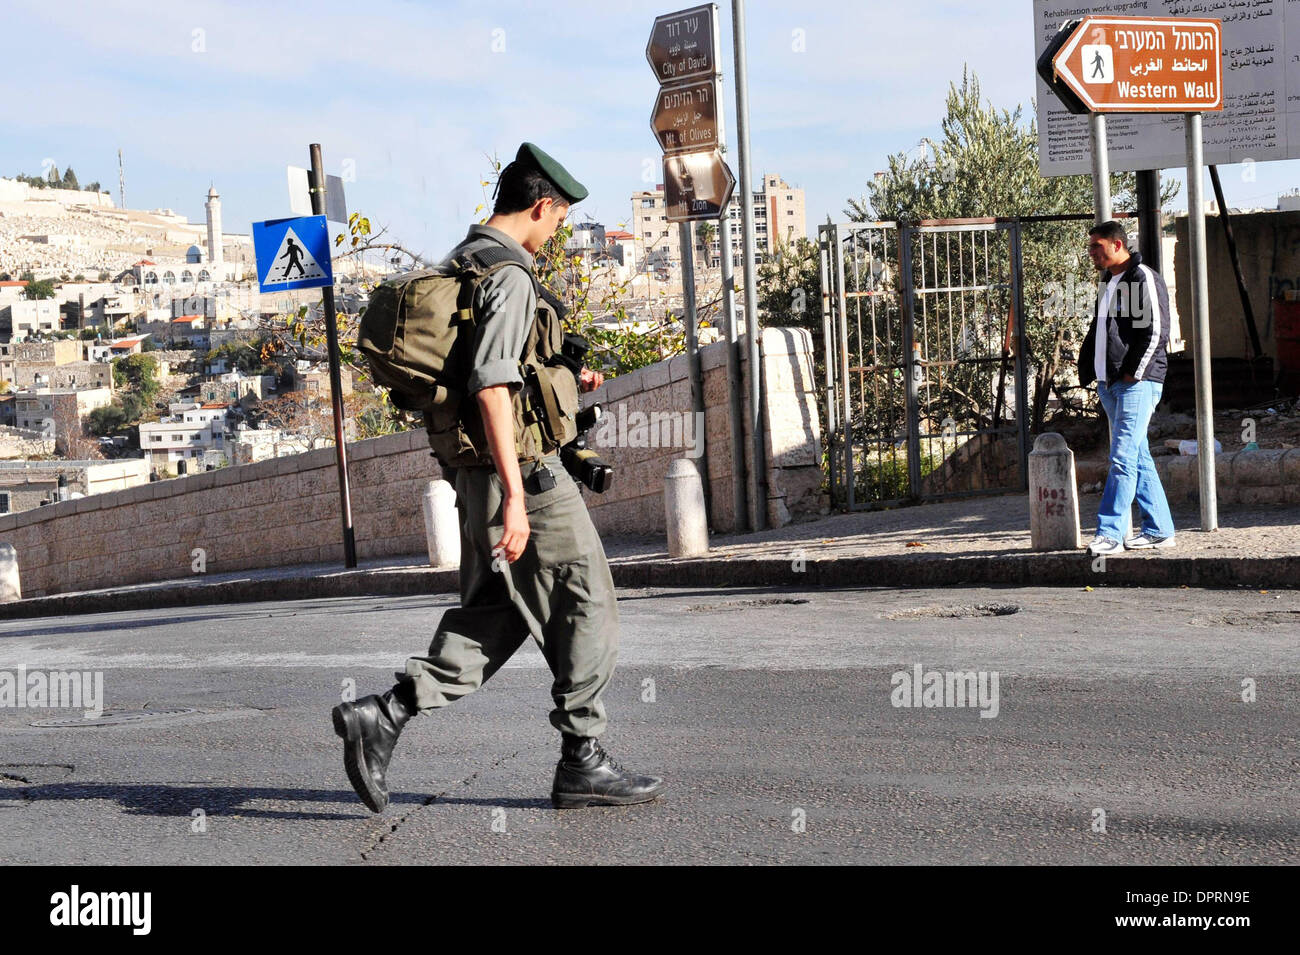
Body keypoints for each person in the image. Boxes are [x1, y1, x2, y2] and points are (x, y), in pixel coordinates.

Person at [332, 143, 666, 812]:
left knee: (503, 611)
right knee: (590, 598)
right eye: (559, 220)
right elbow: (489, 387)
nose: (556, 233)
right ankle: (583, 757)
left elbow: (502, 375)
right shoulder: (510, 275)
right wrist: (517, 496)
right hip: (526, 479)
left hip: (478, 474)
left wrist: (567, 383)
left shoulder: (467, 260)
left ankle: (386, 713)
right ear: (541, 205)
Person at [1077, 220, 1176, 556]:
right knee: (1137, 455)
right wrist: (1092, 370)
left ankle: (1109, 533)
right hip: (1111, 384)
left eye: (1097, 247)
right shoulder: (1109, 282)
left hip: (1137, 383)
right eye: (1090, 247)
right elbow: (1102, 331)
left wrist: (1134, 373)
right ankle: (1160, 530)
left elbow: (1157, 331)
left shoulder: (1141, 277)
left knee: (1121, 457)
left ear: (1117, 245)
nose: (1091, 253)